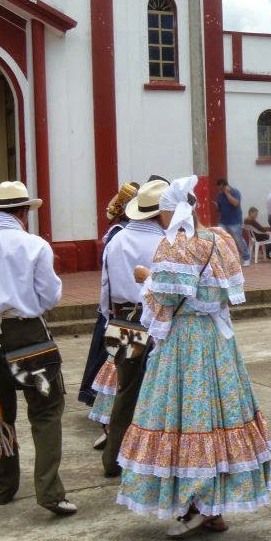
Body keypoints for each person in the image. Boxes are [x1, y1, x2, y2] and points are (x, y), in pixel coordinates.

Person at [116, 175, 271, 537]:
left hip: (185, 342)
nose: (159, 221)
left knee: (187, 417)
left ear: (170, 211)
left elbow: (165, 302)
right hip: (218, 343)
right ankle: (214, 507)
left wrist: (146, 281)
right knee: (219, 415)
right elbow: (226, 293)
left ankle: (195, 502)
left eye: (161, 215)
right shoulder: (222, 240)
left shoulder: (174, 246)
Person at [0, 181, 75, 516]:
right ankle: (49, 491)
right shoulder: (34, 245)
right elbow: (51, 296)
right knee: (46, 410)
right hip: (30, 334)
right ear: (23, 212)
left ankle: (3, 487)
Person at [93, 178, 168, 477]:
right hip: (157, 322)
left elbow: (105, 289)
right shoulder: (166, 242)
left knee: (125, 392)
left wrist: (109, 317)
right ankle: (151, 460)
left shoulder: (117, 240)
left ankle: (114, 458)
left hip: (122, 320)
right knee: (159, 392)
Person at [78, 181, 140, 410]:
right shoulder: (119, 235)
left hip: (118, 305)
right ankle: (100, 400)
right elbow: (110, 275)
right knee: (111, 358)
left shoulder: (121, 234)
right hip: (118, 307)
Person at [216, 178, 251, 265]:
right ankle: (222, 259)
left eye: (221, 188)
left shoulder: (235, 192)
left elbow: (235, 203)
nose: (220, 190)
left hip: (235, 221)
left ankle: (246, 257)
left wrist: (227, 193)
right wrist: (216, 207)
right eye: (219, 189)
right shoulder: (220, 195)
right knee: (219, 238)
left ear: (226, 186)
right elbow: (219, 209)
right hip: (223, 221)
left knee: (238, 239)